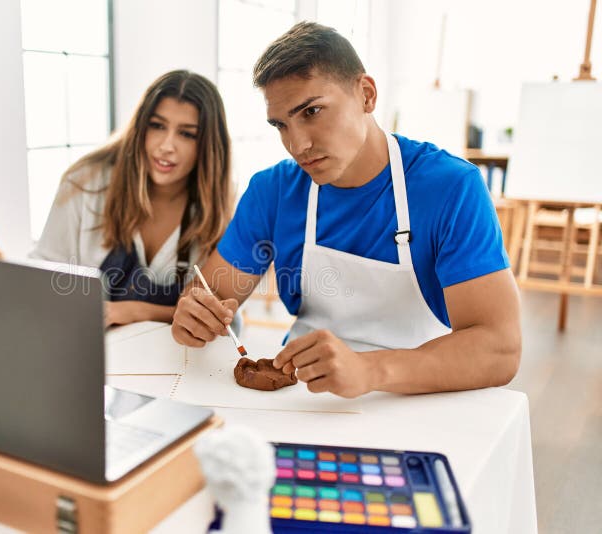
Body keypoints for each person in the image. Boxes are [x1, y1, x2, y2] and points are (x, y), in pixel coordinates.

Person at [171, 22, 521, 398]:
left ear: (366, 95)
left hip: (422, 396)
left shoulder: (450, 188)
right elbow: (213, 292)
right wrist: (196, 314)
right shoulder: (272, 190)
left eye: (312, 111)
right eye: (281, 125)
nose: (297, 144)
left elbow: (498, 348)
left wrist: (371, 369)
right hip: (305, 400)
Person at [32, 70, 232, 326]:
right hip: (88, 350)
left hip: (174, 360)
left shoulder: (215, 213)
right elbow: (43, 279)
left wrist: (134, 311)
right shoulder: (85, 183)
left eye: (187, 134)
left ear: (208, 145)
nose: (166, 146)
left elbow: (216, 317)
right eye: (157, 126)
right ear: (140, 128)